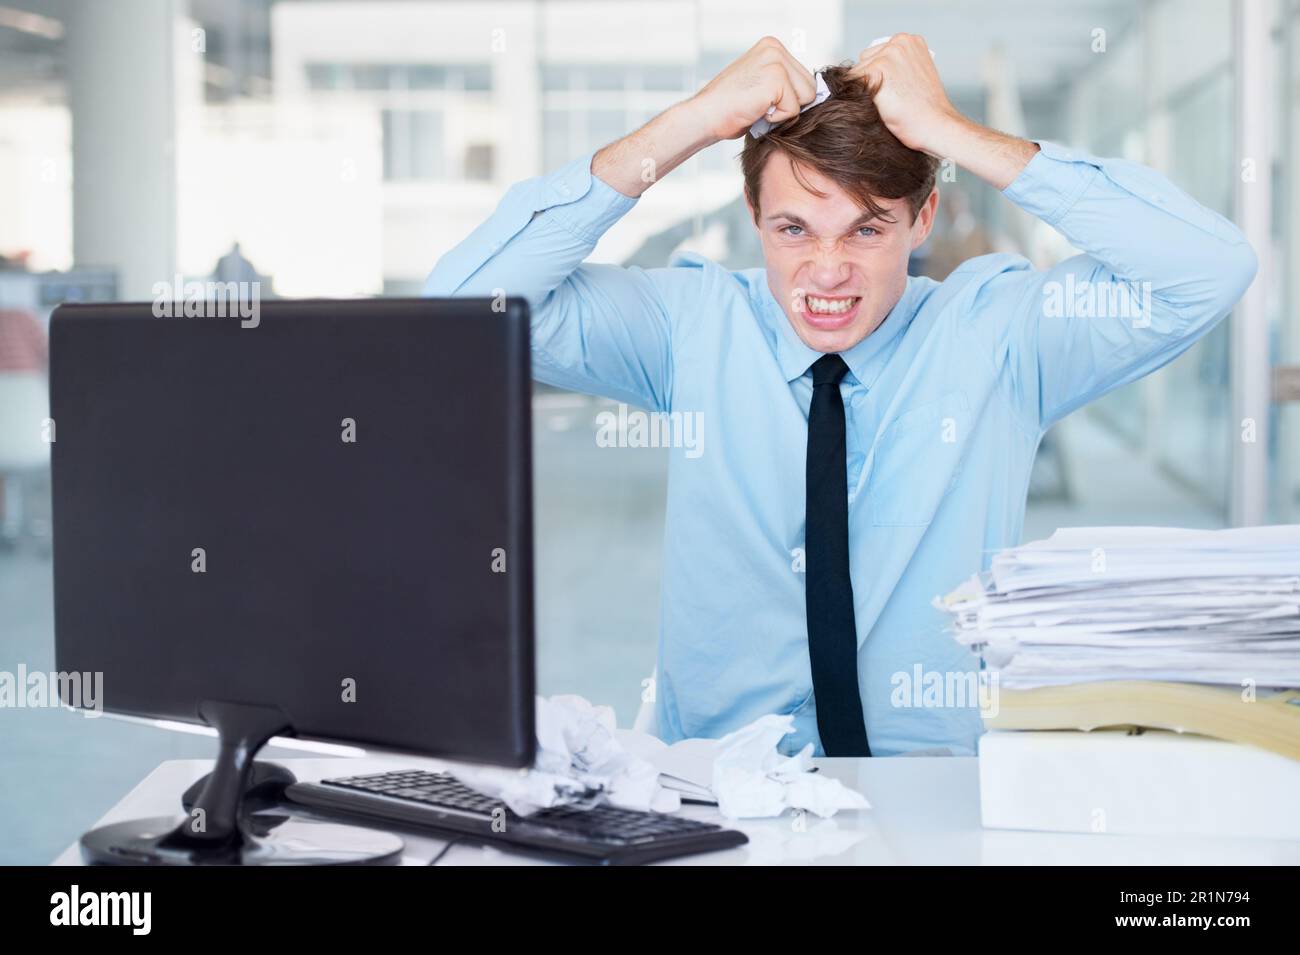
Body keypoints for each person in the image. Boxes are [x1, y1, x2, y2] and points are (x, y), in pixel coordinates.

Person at [424, 35, 1258, 757]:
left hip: (934, 797)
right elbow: (460, 308)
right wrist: (695, 121)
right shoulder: (693, 326)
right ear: (754, 215)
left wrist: (951, 132)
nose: (827, 272)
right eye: (794, 229)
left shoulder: (999, 337)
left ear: (922, 219)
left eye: (866, 228)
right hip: (716, 793)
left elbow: (1208, 269)